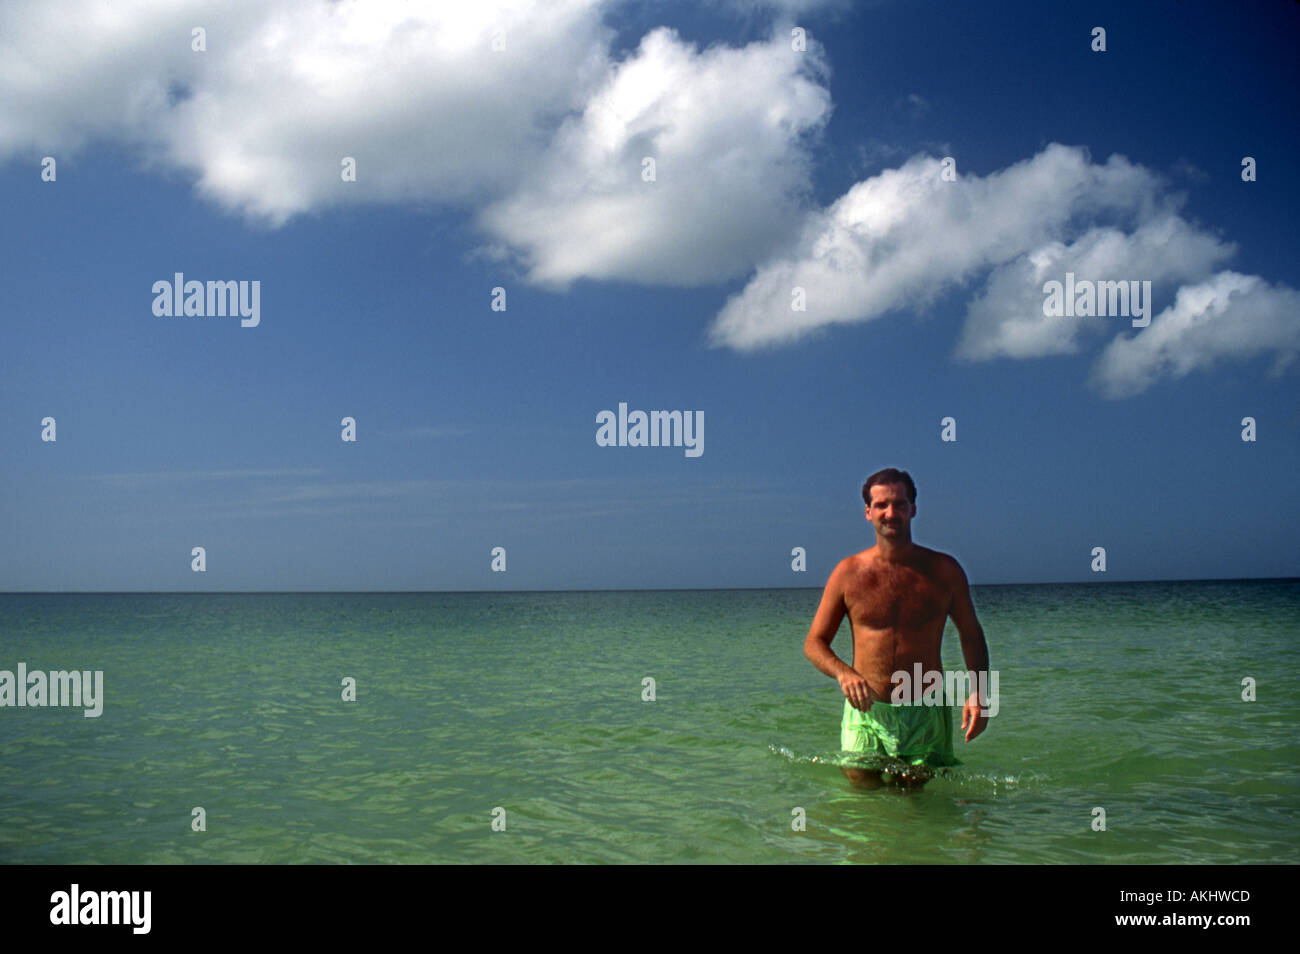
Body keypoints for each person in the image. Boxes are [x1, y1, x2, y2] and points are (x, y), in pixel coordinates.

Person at [803, 468, 991, 789]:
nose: (891, 513)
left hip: (924, 710)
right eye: (881, 505)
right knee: (863, 794)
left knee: (914, 805)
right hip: (867, 711)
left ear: (913, 509)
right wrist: (843, 673)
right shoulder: (848, 573)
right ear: (868, 512)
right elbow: (814, 642)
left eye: (900, 504)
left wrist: (980, 695)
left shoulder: (944, 571)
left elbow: (971, 634)